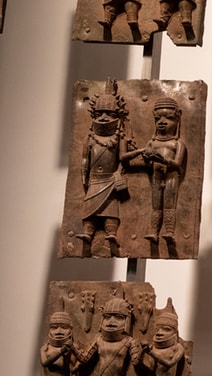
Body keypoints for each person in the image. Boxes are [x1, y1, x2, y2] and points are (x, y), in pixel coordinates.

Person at [77, 79, 136, 250]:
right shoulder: (90, 138)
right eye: (99, 114)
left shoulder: (119, 138)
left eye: (109, 114)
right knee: (89, 208)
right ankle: (88, 233)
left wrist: (119, 172)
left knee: (110, 208)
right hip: (94, 179)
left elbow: (122, 158)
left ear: (117, 117)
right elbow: (85, 159)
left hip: (110, 180)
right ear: (93, 115)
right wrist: (84, 176)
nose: (104, 118)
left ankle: (111, 233)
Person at [136, 97, 187, 242]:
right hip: (156, 177)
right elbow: (147, 165)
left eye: (168, 118)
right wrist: (147, 159)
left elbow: (178, 164)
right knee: (156, 206)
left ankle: (169, 232)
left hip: (171, 177)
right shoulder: (151, 143)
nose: (162, 122)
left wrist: (162, 160)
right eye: (158, 119)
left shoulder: (177, 144)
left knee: (169, 205)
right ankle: (154, 232)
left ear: (177, 120)